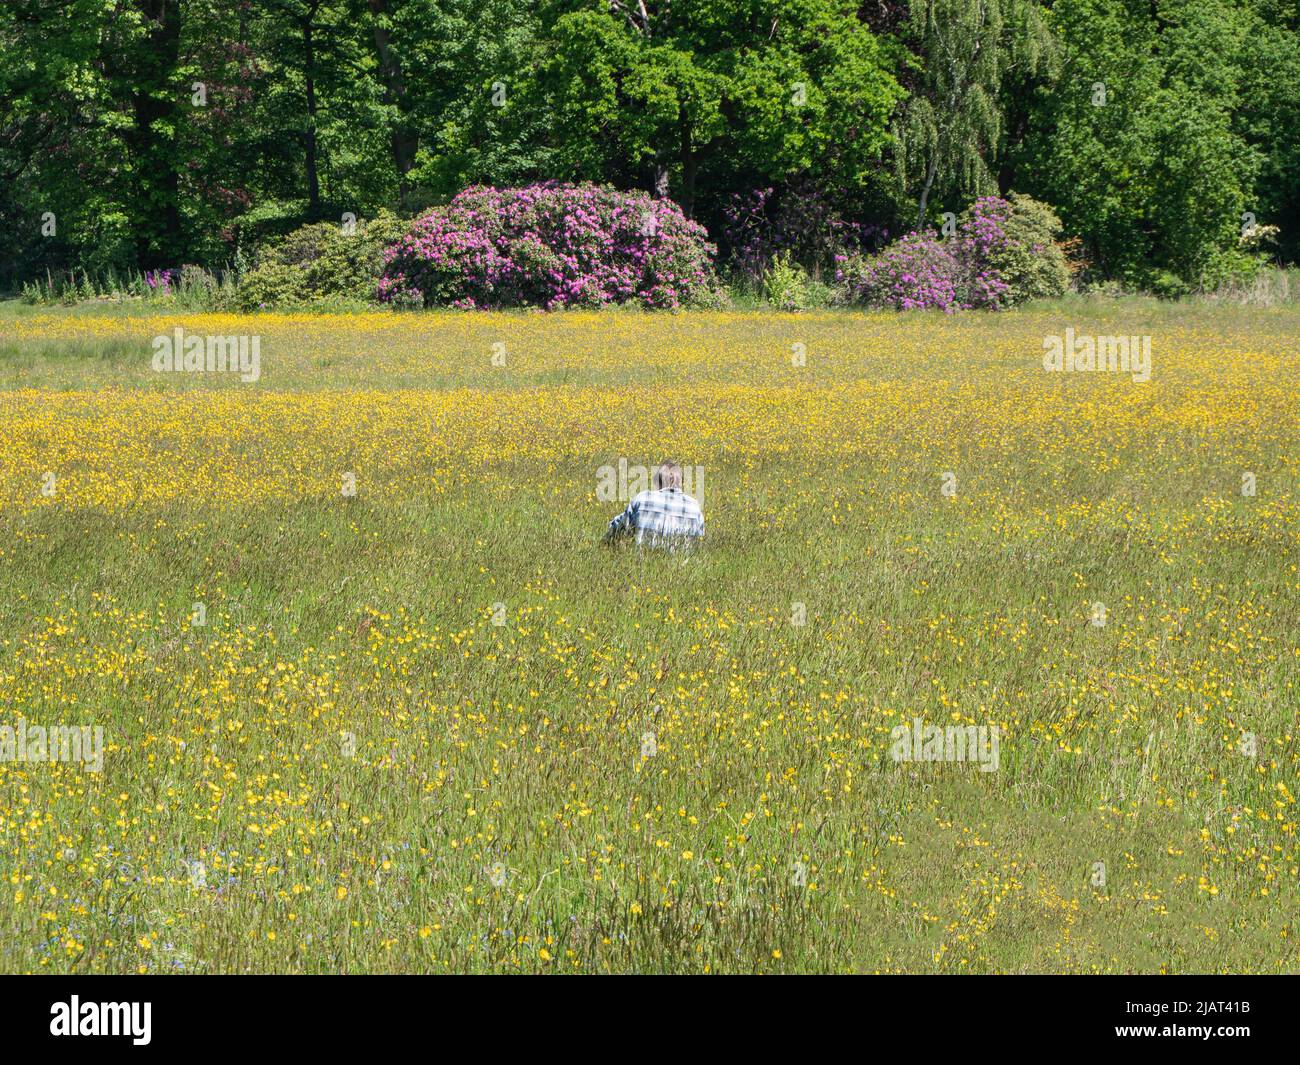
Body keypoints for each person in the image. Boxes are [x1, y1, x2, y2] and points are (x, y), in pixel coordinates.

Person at [604, 460, 704, 548]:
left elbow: (616, 529)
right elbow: (698, 544)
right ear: (680, 483)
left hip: (643, 567)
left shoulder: (642, 499)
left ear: (657, 481)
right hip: (684, 568)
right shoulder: (695, 507)